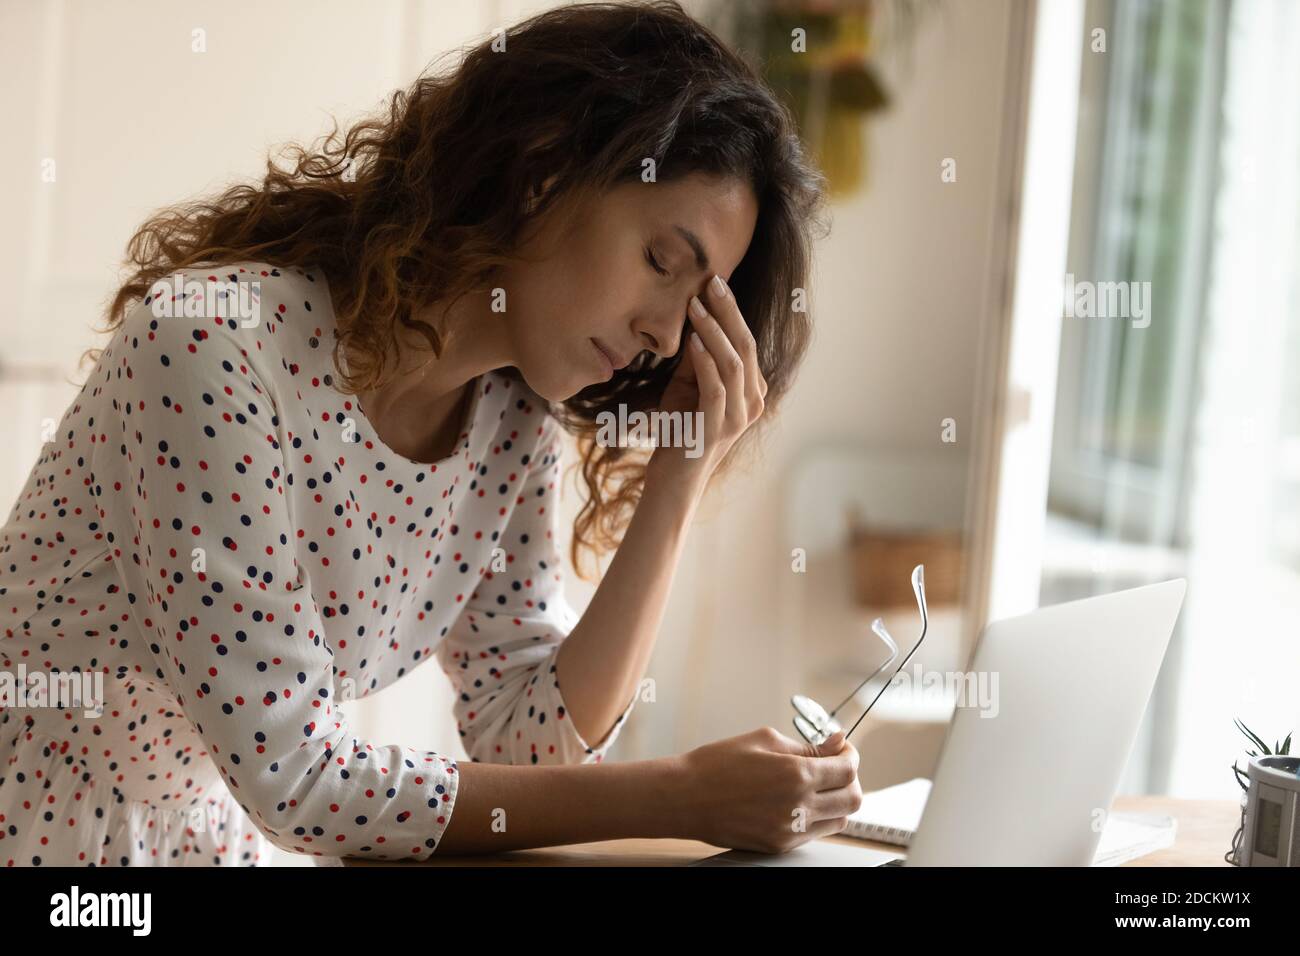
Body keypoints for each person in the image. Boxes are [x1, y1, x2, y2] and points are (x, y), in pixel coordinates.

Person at [0, 0, 859, 866]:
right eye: (663, 263)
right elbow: (293, 773)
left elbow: (527, 744)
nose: (667, 339)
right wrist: (682, 795)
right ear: (543, 169)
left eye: (698, 305)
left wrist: (681, 475)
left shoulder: (509, 418)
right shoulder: (211, 347)